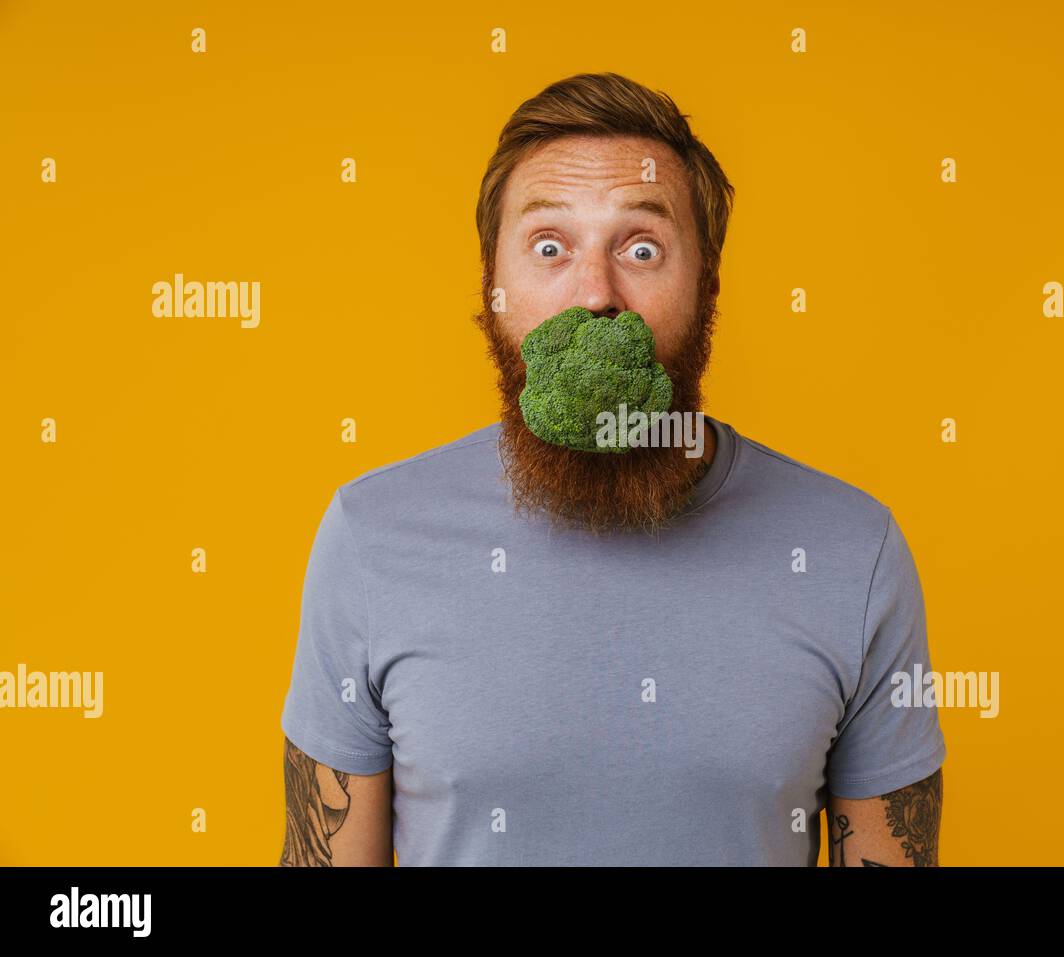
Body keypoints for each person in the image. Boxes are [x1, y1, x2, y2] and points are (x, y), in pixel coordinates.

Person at [279, 72, 945, 866]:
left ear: (708, 287)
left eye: (641, 248)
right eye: (550, 246)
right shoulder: (371, 538)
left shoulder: (851, 550)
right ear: (492, 287)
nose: (596, 293)